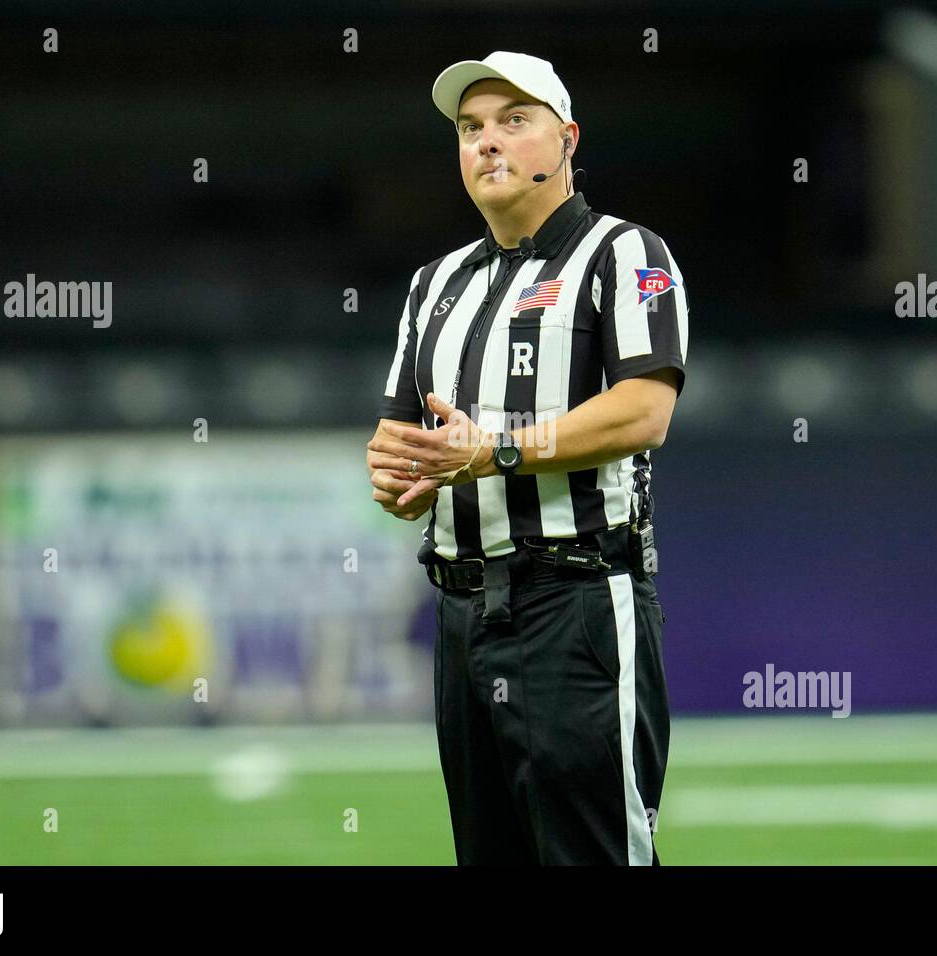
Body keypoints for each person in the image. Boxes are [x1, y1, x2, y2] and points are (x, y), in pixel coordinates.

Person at [365, 51, 688, 865]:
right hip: (462, 613)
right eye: (471, 128)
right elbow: (400, 440)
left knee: (597, 853)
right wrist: (395, 474)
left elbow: (646, 411)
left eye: (515, 121)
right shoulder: (434, 281)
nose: (487, 143)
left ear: (567, 139)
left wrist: (495, 451)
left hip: (573, 602)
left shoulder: (625, 254)